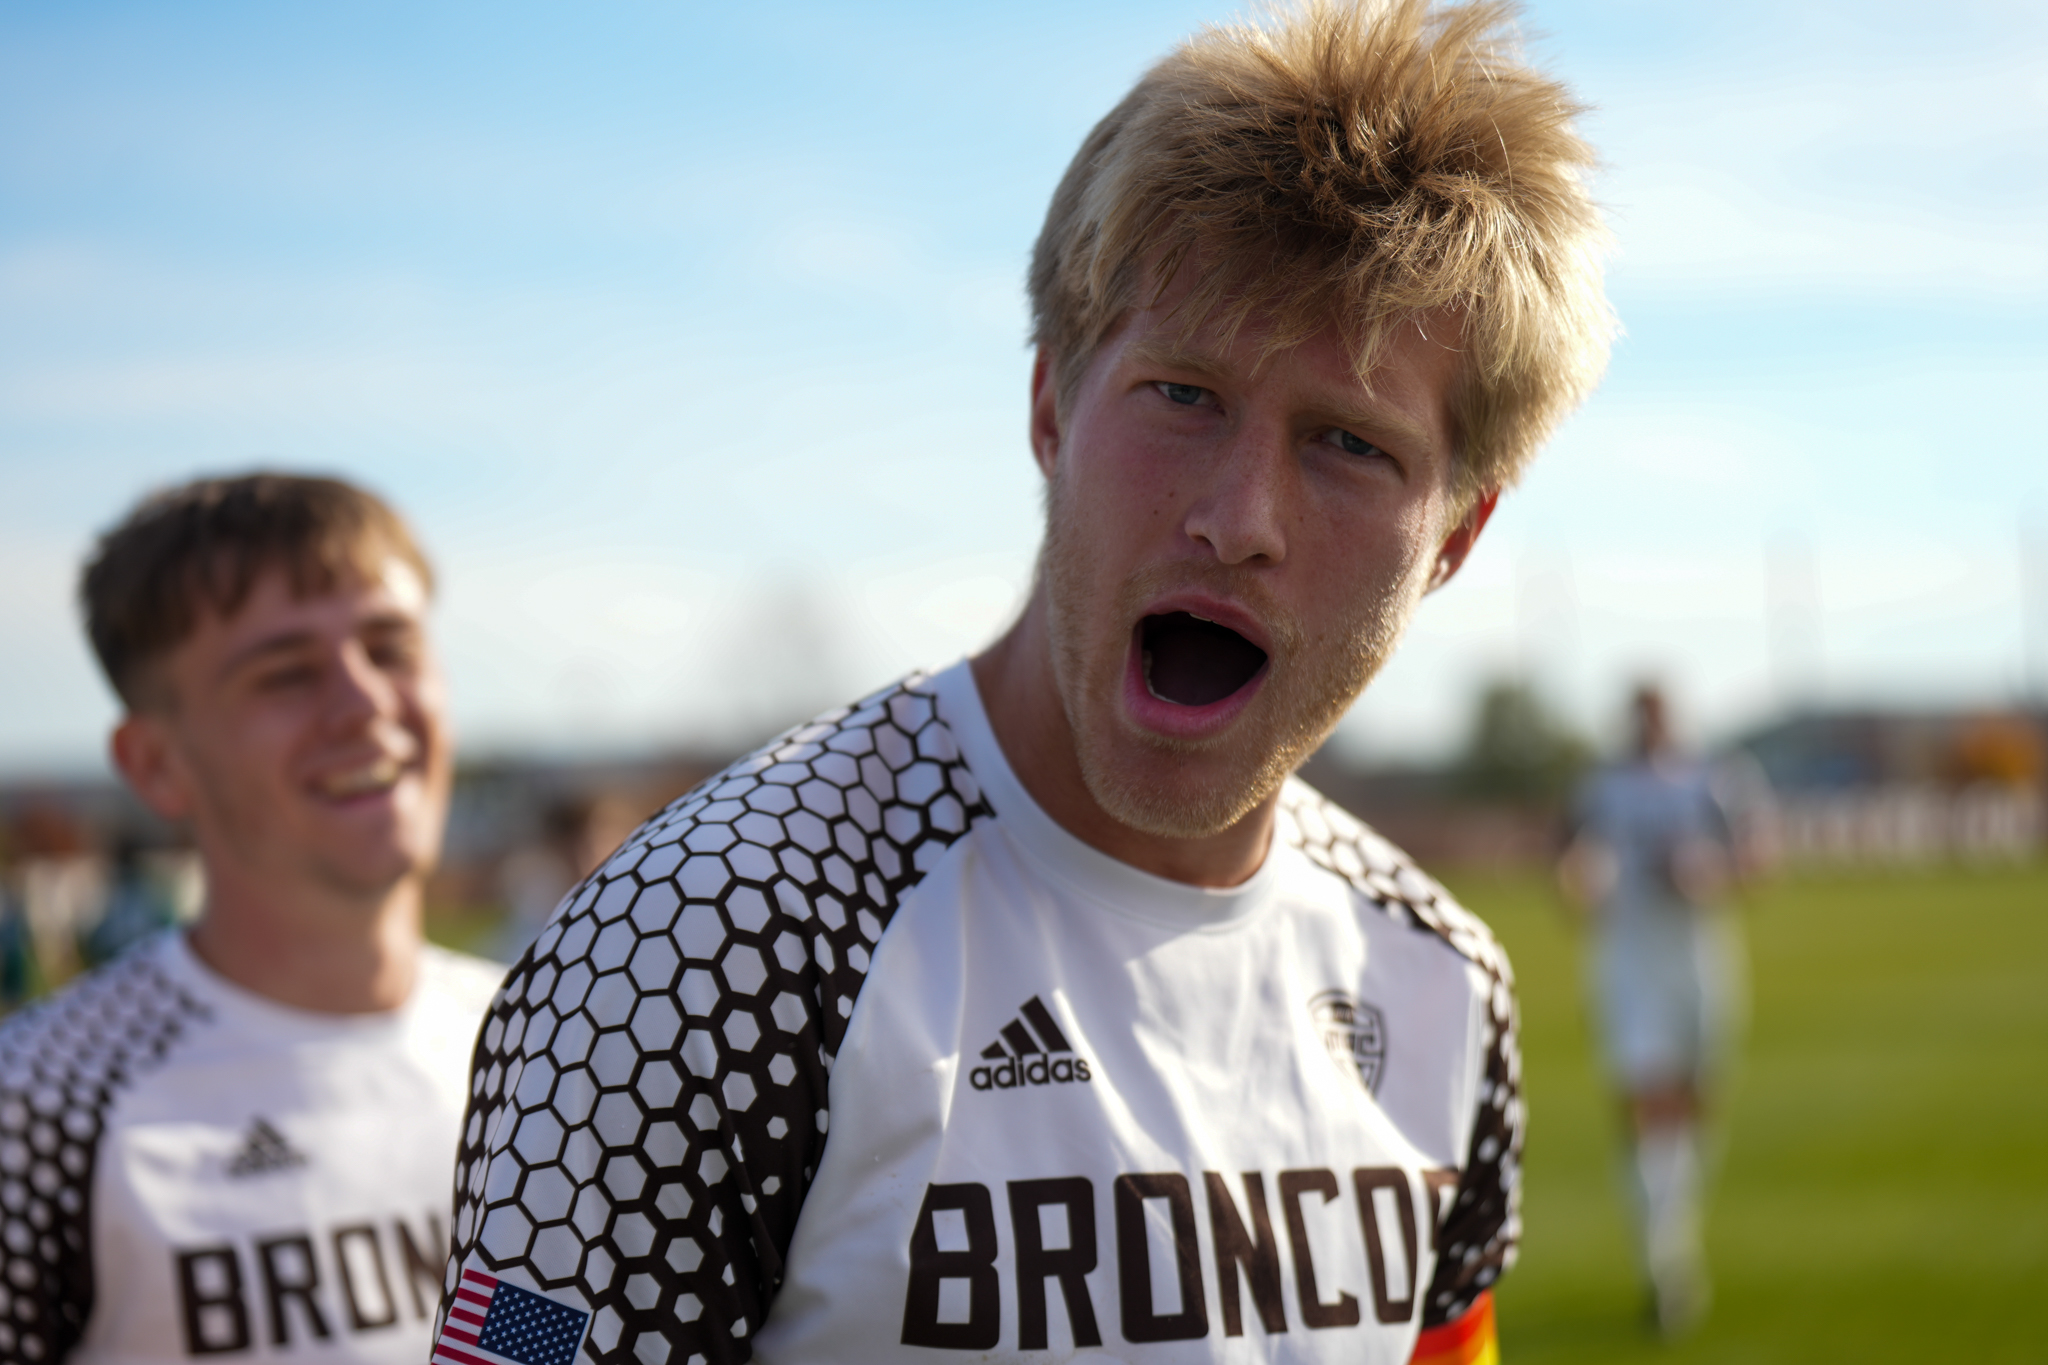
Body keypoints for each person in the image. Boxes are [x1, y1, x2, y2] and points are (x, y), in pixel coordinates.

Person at [434, 2, 1611, 1361]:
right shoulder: (708, 945)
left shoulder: (1439, 978)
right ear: (1051, 405)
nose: (1241, 516)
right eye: (1183, 396)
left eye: (1349, 442)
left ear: (1455, 536)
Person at [0, 474, 503, 1365]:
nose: (364, 706)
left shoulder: (554, 1050)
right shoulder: (42, 1105)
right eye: (287, 675)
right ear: (155, 763)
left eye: (391, 648)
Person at [1557, 683, 1769, 1335]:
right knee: (1650, 1100)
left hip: (1701, 959)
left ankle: (1674, 1231)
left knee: (1698, 1102)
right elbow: (1565, 863)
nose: (1649, 723)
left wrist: (1714, 871)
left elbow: (1760, 859)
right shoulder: (1601, 786)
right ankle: (1666, 1263)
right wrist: (1579, 881)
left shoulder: (1716, 778)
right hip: (1629, 963)